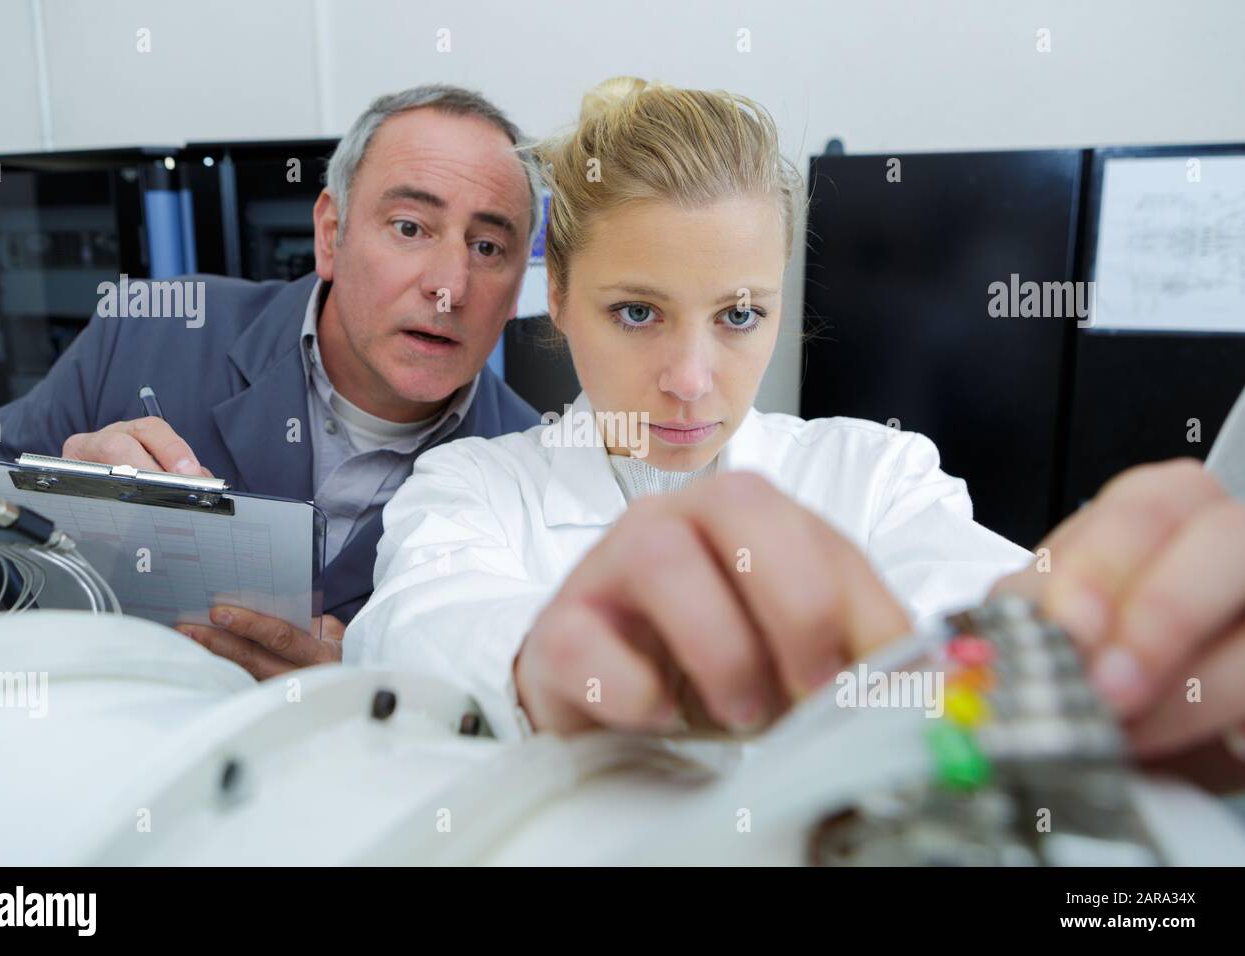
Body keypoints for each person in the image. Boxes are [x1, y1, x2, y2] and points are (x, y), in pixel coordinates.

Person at [347, 78, 1241, 774]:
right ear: (560, 296)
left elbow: (966, 596)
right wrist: (545, 662)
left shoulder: (875, 474)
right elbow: (415, 628)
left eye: (738, 316)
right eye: (637, 312)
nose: (692, 382)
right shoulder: (472, 487)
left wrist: (1064, 641)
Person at [0, 85, 542, 672]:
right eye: (410, 227)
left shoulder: (531, 476)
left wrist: (358, 689)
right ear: (331, 234)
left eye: (488, 247)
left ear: (518, 288)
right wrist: (62, 512)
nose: (450, 285)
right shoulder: (148, 334)